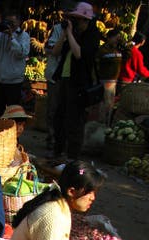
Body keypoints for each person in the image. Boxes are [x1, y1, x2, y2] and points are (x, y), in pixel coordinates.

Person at [51, 2, 101, 162]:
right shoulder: (73, 34)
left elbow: (79, 53)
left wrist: (71, 35)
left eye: (78, 20)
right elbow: (55, 51)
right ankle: (58, 152)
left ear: (86, 20)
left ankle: (72, 157)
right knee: (59, 118)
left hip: (79, 84)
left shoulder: (92, 35)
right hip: (65, 80)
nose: (76, 23)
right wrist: (64, 34)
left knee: (74, 121)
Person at [0, 12, 30, 118]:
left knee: (13, 113)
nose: (9, 25)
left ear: (19, 22)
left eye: (12, 22)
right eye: (7, 22)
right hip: (0, 79)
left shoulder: (23, 36)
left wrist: (11, 37)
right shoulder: (1, 35)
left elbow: (22, 53)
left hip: (14, 81)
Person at [44, 17, 66, 152]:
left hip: (70, 77)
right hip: (55, 75)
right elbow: (50, 49)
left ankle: (62, 140)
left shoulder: (82, 30)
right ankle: (51, 138)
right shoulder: (58, 29)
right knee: (53, 108)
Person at [97, 28, 123, 125]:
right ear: (109, 38)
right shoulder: (103, 50)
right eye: (116, 38)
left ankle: (107, 124)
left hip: (114, 81)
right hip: (106, 81)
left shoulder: (118, 50)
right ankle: (102, 124)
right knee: (105, 105)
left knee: (110, 105)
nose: (117, 40)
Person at [1, 104, 30, 170]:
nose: (21, 128)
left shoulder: (15, 142)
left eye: (23, 125)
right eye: (19, 124)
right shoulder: (2, 142)